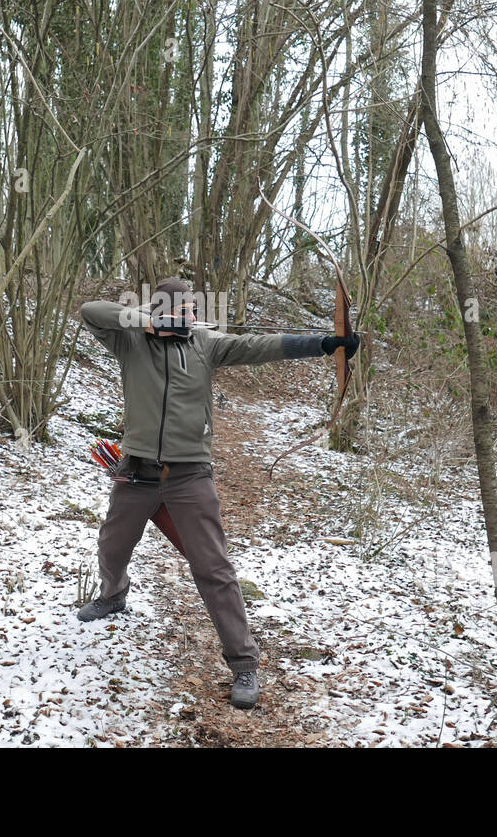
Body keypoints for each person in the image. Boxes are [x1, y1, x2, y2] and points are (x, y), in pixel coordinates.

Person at [76, 276, 359, 708]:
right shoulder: (130, 343)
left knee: (214, 569)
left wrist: (324, 343)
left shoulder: (205, 345)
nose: (191, 315)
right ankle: (114, 595)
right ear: (158, 311)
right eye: (182, 309)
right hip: (136, 471)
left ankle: (244, 664)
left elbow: (260, 347)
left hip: (190, 474)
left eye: (192, 309)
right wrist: (146, 323)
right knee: (112, 545)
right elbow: (90, 311)